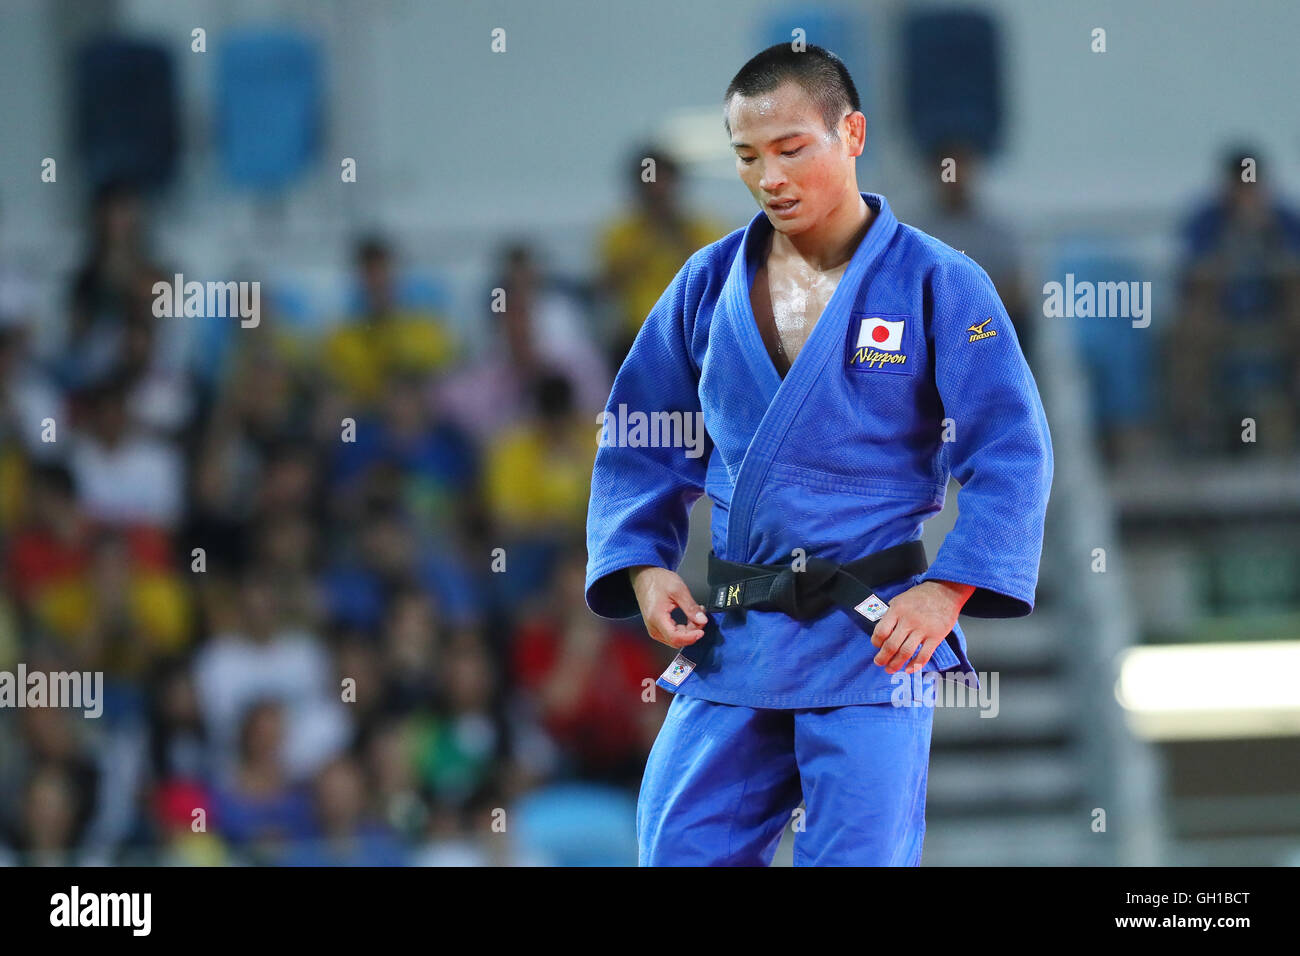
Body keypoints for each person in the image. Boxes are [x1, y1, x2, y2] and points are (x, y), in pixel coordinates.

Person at [584, 44, 1053, 866]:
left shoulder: (939, 281)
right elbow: (639, 434)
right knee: (677, 849)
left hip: (871, 641)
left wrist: (947, 589)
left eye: (792, 148)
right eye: (747, 157)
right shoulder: (706, 283)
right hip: (736, 638)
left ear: (853, 134)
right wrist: (645, 567)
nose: (770, 177)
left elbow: (1012, 450)